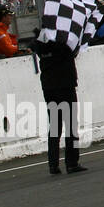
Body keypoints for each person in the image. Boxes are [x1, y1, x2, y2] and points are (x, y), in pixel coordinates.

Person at [36, 37, 85, 174]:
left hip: (49, 87)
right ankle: (72, 162)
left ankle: (53, 164)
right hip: (65, 85)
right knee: (71, 126)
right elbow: (73, 51)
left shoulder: (40, 44)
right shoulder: (63, 42)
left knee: (54, 126)